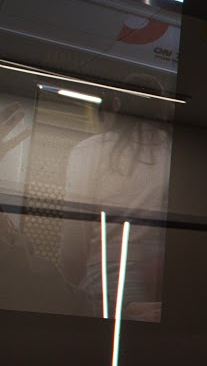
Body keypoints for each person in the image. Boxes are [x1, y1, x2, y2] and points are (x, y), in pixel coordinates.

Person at [58, 87, 172, 322]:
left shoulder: (90, 150)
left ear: (117, 103)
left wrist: (70, 285)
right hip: (158, 290)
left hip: (104, 284)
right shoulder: (174, 151)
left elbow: (73, 241)